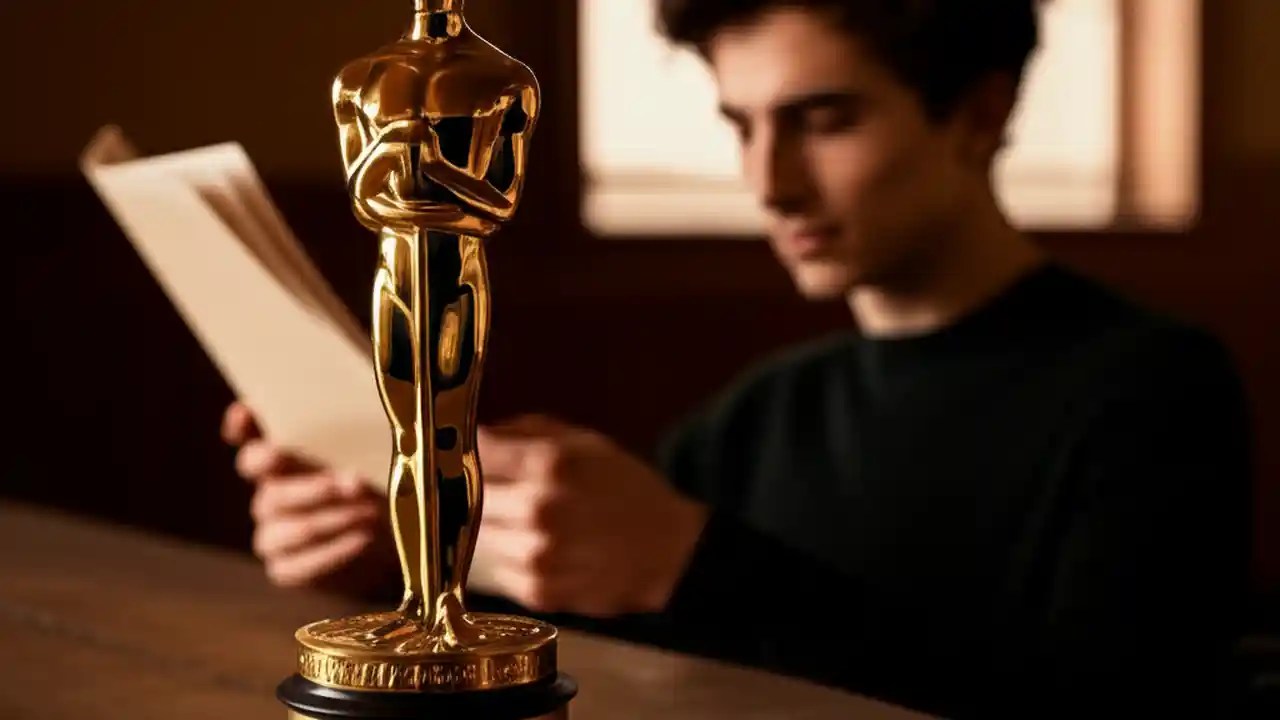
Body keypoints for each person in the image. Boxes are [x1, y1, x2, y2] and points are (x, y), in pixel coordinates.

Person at [224, 0, 1254, 716]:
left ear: (979, 113)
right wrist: (392, 560)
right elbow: (643, 627)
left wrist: (691, 560)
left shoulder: (1149, 388)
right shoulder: (767, 409)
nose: (769, 183)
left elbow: (1109, 707)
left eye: (823, 121)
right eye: (740, 125)